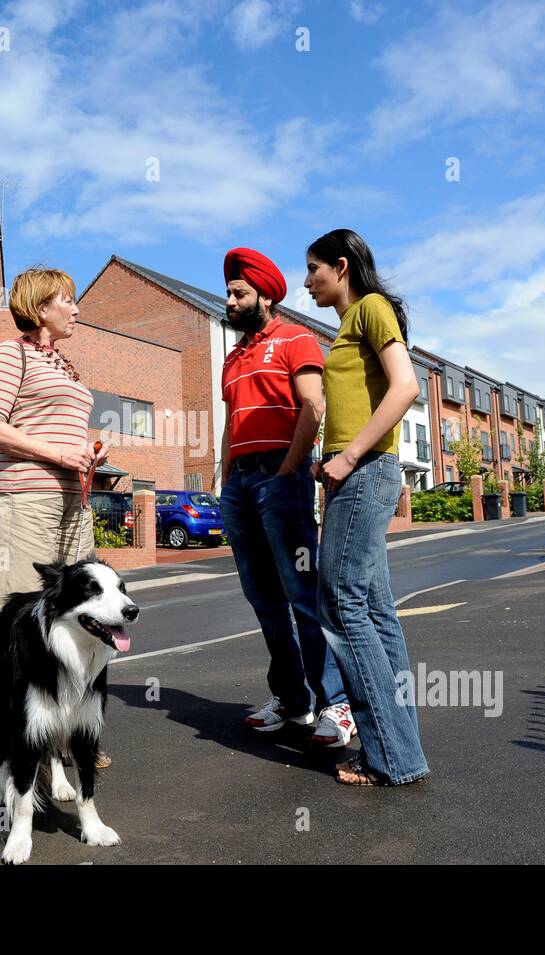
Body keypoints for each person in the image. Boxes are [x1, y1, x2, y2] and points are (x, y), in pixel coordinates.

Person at [0, 267, 111, 783]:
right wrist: (56, 451)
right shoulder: (12, 353)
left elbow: (64, 428)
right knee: (14, 630)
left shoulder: (68, 367)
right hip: (28, 498)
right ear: (39, 307)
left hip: (73, 501)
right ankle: (2, 759)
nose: (76, 309)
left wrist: (91, 448)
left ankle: (58, 747)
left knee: (79, 625)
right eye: (67, 300)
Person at [305, 228, 429, 786]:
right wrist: (329, 457)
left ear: (341, 267)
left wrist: (348, 456)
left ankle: (389, 756)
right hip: (352, 472)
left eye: (314, 270)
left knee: (339, 607)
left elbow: (406, 387)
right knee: (377, 615)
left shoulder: (372, 308)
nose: (307, 282)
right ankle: (400, 754)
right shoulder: (346, 327)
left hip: (363, 472)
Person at [219, 247, 354, 747]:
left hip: (282, 481)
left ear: (264, 295)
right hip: (240, 486)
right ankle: (293, 700)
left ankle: (337, 705)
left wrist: (289, 469)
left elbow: (313, 407)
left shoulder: (297, 339)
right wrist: (226, 478)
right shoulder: (233, 358)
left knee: (302, 595)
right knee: (263, 598)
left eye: (238, 293)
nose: (229, 300)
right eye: (228, 292)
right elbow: (233, 424)